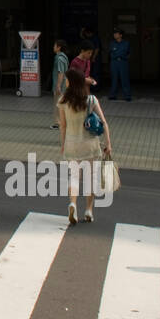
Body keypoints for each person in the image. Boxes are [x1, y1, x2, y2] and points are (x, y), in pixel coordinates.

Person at [57, 68, 111, 224]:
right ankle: (89, 210)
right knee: (91, 178)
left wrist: (63, 144)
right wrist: (108, 143)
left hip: (72, 144)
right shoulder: (92, 100)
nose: (65, 82)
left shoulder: (62, 101)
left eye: (67, 80)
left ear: (71, 82)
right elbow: (104, 123)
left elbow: (63, 126)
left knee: (74, 177)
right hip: (90, 145)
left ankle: (73, 204)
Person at [107, 28, 132, 102]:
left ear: (121, 35)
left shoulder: (126, 43)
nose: (115, 35)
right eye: (114, 34)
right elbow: (111, 53)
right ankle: (112, 95)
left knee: (125, 79)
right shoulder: (112, 43)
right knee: (114, 79)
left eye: (116, 33)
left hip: (123, 62)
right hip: (114, 62)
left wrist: (119, 55)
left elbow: (128, 53)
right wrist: (119, 55)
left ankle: (127, 96)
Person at [50, 39, 70, 131]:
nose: (53, 47)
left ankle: (58, 123)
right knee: (61, 103)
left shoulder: (59, 58)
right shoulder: (63, 57)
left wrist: (58, 85)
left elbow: (60, 72)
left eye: (55, 46)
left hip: (60, 85)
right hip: (64, 84)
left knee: (58, 104)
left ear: (59, 47)